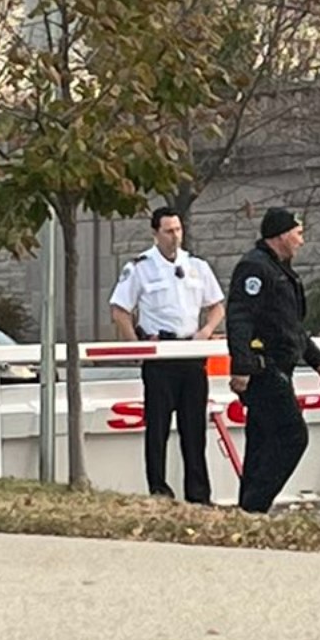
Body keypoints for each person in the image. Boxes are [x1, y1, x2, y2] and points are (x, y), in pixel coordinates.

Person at [109, 207, 226, 504]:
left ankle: (199, 495)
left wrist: (206, 330)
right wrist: (136, 346)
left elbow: (217, 305)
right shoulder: (140, 267)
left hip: (191, 352)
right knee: (158, 429)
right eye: (168, 231)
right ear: (155, 233)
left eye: (178, 230)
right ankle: (159, 492)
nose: (175, 237)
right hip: (160, 355)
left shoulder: (197, 266)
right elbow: (120, 310)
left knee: (194, 430)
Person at [225, 208, 320, 514]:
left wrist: (316, 360)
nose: (301, 240)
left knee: (261, 443)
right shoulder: (255, 268)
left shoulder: (278, 269)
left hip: (279, 365)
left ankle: (248, 511)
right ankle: (254, 506)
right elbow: (241, 318)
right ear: (282, 235)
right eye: (298, 233)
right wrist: (243, 366)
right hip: (263, 368)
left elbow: (289, 326)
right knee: (292, 436)